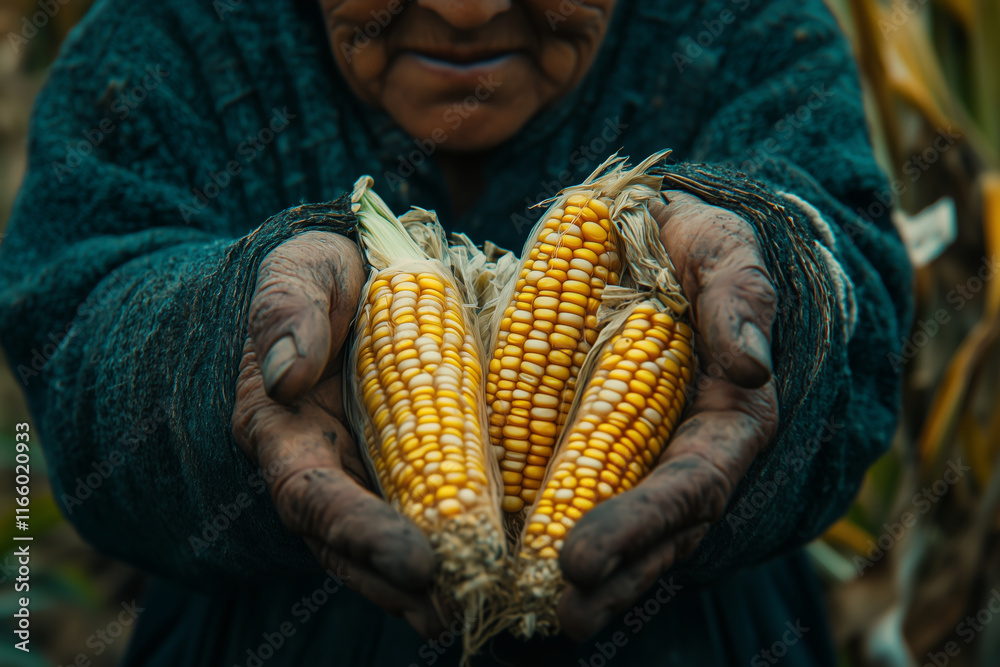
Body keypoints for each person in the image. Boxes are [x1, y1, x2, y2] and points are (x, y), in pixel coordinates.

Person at [0, 0, 912, 664]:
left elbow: (862, 298)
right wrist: (210, 349)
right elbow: (74, 317)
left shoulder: (752, 29)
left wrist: (790, 294)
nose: (465, 9)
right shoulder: (169, 39)